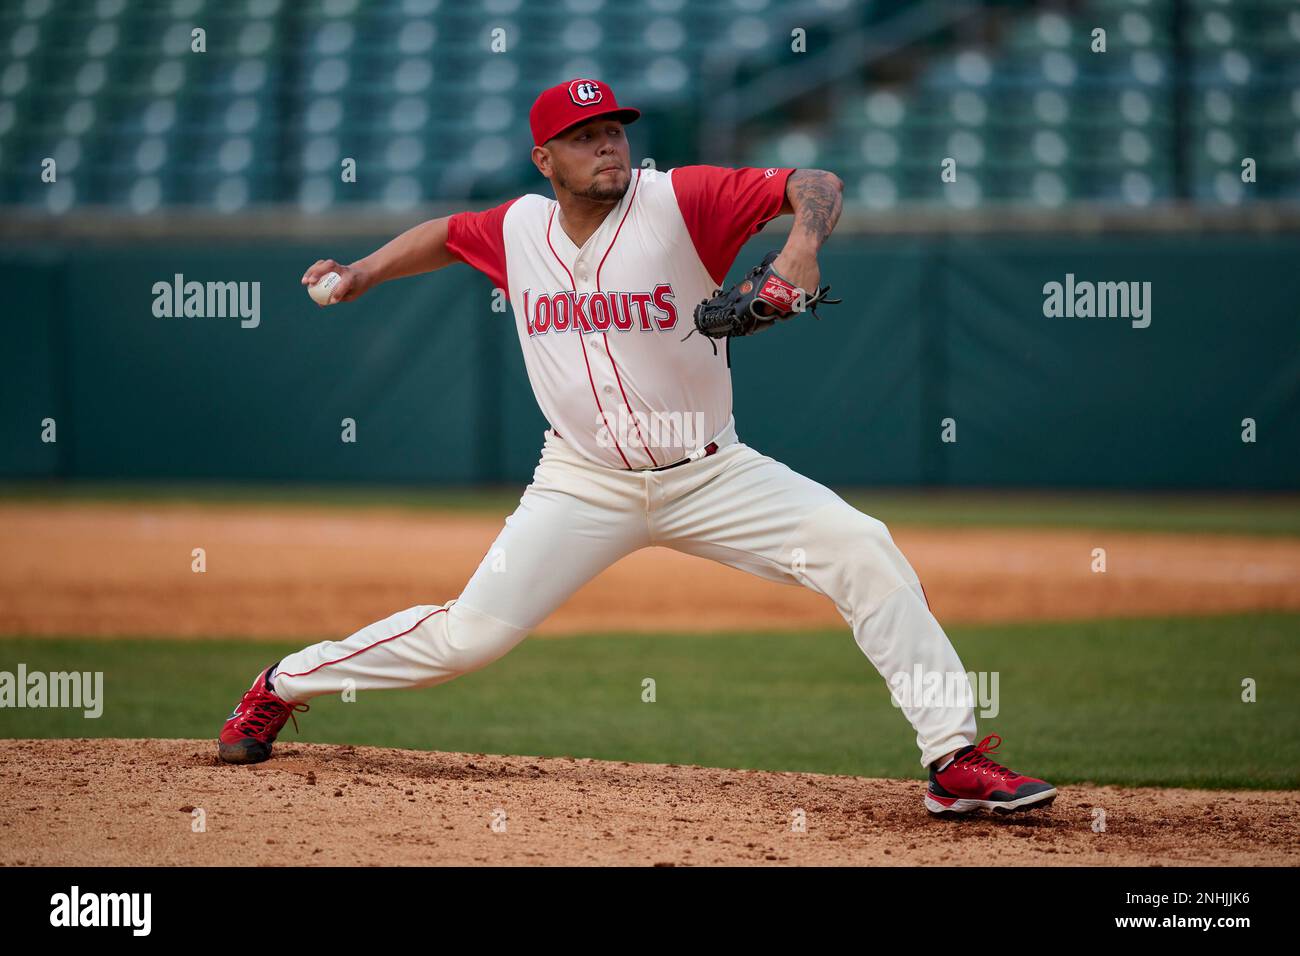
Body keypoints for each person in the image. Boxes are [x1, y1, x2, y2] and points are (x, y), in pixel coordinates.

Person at [217, 78, 1056, 817]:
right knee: (467, 637)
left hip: (713, 473)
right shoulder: (519, 230)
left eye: (615, 129)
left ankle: (954, 760)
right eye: (586, 137)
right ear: (545, 158)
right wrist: (363, 271)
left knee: (862, 548)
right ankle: (280, 686)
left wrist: (800, 248)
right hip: (580, 485)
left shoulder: (681, 200)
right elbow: (447, 230)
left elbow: (816, 181)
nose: (608, 144)